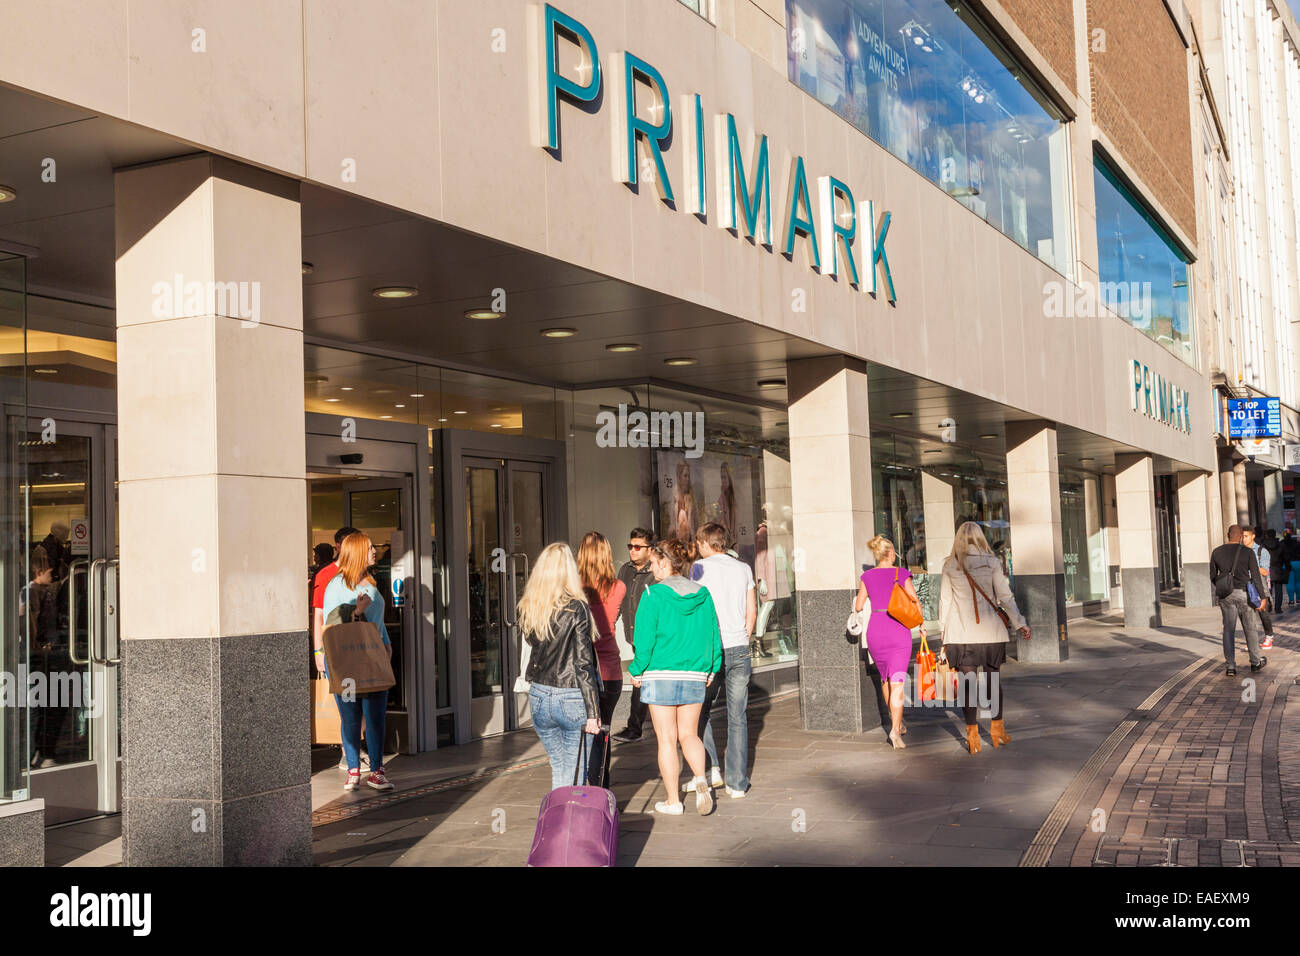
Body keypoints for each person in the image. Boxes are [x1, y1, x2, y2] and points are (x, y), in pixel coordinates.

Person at [630, 538, 722, 815]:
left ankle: (673, 801)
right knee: (690, 735)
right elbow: (713, 634)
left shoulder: (653, 595)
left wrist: (636, 670)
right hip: (694, 673)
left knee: (667, 740)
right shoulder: (703, 593)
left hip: (660, 674)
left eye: (655, 563)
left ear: (665, 562)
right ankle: (701, 780)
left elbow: (644, 639)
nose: (652, 569)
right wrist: (712, 666)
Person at [938, 521, 1031, 755]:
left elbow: (945, 602)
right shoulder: (992, 562)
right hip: (990, 632)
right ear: (980, 537)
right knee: (992, 681)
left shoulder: (950, 565)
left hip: (961, 634)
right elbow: (1005, 597)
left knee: (968, 685)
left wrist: (943, 633)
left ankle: (972, 737)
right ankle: (997, 730)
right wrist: (1020, 623)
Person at [519, 542, 602, 791]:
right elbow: (583, 662)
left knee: (560, 766)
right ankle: (571, 825)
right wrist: (593, 711)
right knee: (576, 769)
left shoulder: (530, 605)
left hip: (540, 696)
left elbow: (534, 645)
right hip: (572, 696)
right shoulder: (577, 607)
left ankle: (560, 822)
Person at [322, 532, 393, 791]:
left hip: (373, 657)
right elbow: (330, 625)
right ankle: (353, 769)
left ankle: (376, 771)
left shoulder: (371, 583)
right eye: (370, 547)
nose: (375, 551)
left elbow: (378, 622)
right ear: (357, 553)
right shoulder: (336, 586)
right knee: (351, 717)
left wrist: (386, 644)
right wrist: (356, 611)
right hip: (346, 660)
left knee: (375, 717)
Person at [690, 522, 755, 797]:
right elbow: (751, 612)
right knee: (737, 717)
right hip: (739, 645)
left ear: (705, 543)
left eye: (698, 544)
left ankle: (711, 769)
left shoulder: (698, 568)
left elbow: (693, 611)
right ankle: (737, 784)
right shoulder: (743, 568)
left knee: (699, 713)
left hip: (710, 649)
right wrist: (743, 638)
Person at [855, 534, 925, 749]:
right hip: (898, 630)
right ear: (890, 553)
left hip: (876, 630)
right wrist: (921, 625)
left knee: (885, 680)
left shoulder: (867, 576)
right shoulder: (901, 573)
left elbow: (858, 606)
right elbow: (914, 600)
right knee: (898, 681)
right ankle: (895, 732)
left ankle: (897, 722)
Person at [312, 526, 367, 769]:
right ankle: (349, 752)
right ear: (338, 547)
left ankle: (356, 747)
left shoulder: (361, 573)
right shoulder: (326, 575)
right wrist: (318, 651)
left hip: (359, 647)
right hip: (337, 647)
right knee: (347, 700)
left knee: (359, 699)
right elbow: (319, 615)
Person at [576, 531, 626, 784]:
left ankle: (584, 788)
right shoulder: (618, 587)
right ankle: (601, 790)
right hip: (610, 671)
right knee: (603, 734)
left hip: (581, 672)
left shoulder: (573, 590)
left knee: (582, 737)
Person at [612, 528, 656, 743]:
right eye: (630, 546)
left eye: (638, 547)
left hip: (655, 637)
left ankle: (635, 727)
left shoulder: (656, 571)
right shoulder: (625, 570)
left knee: (642, 680)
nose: (633, 551)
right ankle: (639, 726)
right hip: (636, 638)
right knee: (643, 680)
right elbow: (618, 601)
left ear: (651, 549)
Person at [1210, 525, 1268, 677]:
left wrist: (1223, 587)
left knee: (1228, 630)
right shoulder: (1248, 552)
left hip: (1226, 596)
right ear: (1241, 536)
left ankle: (1230, 666)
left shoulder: (1217, 552)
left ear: (1227, 535)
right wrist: (1262, 597)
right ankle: (1255, 662)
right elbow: (1256, 576)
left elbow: (1212, 575)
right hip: (1244, 594)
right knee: (1250, 628)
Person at [1243, 526, 1275, 650]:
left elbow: (1265, 571)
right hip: (1245, 586)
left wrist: (1250, 567)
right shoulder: (1240, 551)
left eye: (1246, 536)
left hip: (1260, 587)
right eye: (1242, 536)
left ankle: (1269, 636)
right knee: (1249, 615)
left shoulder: (1262, 551)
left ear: (1253, 536)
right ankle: (1252, 640)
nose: (1244, 539)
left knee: (1263, 613)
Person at [1281, 529, 1300, 607]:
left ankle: (1291, 601)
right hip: (1298, 563)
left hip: (1287, 564)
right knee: (1298, 582)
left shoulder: (1281, 543)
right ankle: (1299, 599)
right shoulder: (1297, 543)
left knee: (1290, 583)